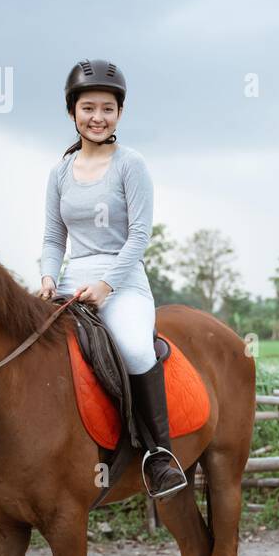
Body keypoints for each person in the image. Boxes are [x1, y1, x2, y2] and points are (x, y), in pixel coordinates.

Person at [38, 58, 190, 499]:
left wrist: (107, 284)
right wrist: (48, 277)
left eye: (107, 108)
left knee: (135, 348)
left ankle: (159, 455)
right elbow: (53, 237)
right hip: (70, 281)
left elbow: (140, 235)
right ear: (72, 112)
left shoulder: (131, 164)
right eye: (88, 108)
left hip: (122, 282)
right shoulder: (60, 173)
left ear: (119, 114)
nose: (97, 117)